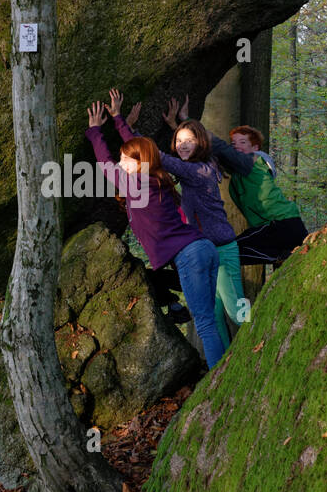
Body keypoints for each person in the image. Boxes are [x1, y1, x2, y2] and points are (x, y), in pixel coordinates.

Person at [85, 101, 226, 368]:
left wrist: (95, 130)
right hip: (203, 249)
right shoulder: (157, 179)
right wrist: (118, 120)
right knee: (208, 316)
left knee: (205, 322)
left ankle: (220, 379)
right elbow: (144, 150)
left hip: (190, 255)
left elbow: (106, 164)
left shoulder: (136, 183)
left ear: (139, 163)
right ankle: (221, 366)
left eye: (126, 159)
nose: (122, 162)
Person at [107, 89, 245, 349]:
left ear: (201, 142)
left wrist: (119, 121)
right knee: (212, 316)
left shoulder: (200, 171)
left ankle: (268, 330)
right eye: (178, 139)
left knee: (237, 312)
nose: (181, 144)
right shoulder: (194, 167)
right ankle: (224, 372)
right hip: (202, 249)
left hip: (222, 248)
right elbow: (148, 158)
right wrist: (178, 121)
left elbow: (149, 156)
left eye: (188, 140)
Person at [165, 100, 308, 267]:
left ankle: (281, 256)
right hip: (275, 228)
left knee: (229, 251)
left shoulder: (253, 162)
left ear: (255, 147)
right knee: (233, 256)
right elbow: (199, 151)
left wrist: (186, 120)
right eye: (234, 143)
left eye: (242, 142)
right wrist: (175, 127)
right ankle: (282, 257)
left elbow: (219, 147)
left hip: (281, 224)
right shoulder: (239, 172)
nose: (236, 147)